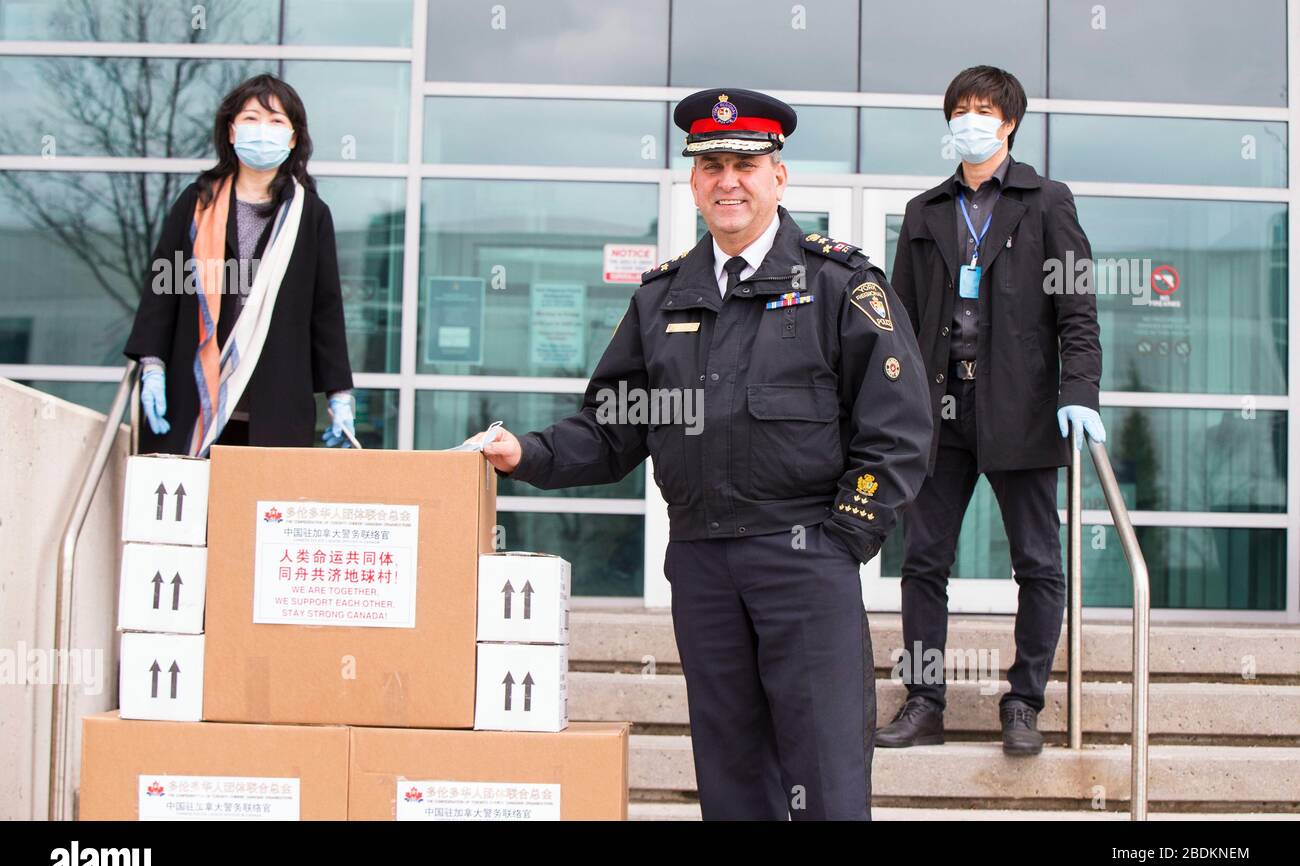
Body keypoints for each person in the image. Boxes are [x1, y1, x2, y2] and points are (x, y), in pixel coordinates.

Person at [465, 88, 932, 819]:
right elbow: (614, 426)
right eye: (712, 164)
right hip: (703, 565)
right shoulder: (661, 299)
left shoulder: (840, 284)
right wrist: (524, 452)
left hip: (804, 555)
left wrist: (845, 538)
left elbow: (899, 427)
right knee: (730, 773)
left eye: (747, 164)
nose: (729, 180)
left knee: (827, 774)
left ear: (780, 176)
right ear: (692, 182)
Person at [880, 66, 1104, 755]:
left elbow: (1078, 310)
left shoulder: (1046, 201)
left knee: (1038, 563)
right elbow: (897, 315)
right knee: (923, 560)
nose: (969, 120)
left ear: (1009, 122)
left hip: (1024, 410)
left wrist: (1079, 394)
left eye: (983, 110)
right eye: (960, 110)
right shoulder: (927, 211)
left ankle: (1025, 701)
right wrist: (889, 400)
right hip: (939, 413)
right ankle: (924, 702)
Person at [123, 73, 355, 455]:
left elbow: (325, 309)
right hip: (194, 393)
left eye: (276, 121)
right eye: (251, 119)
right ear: (231, 132)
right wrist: (152, 365)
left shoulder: (309, 215)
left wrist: (339, 394)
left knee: (262, 511)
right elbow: (163, 289)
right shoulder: (198, 203)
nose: (263, 130)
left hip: (275, 400)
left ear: (293, 137)